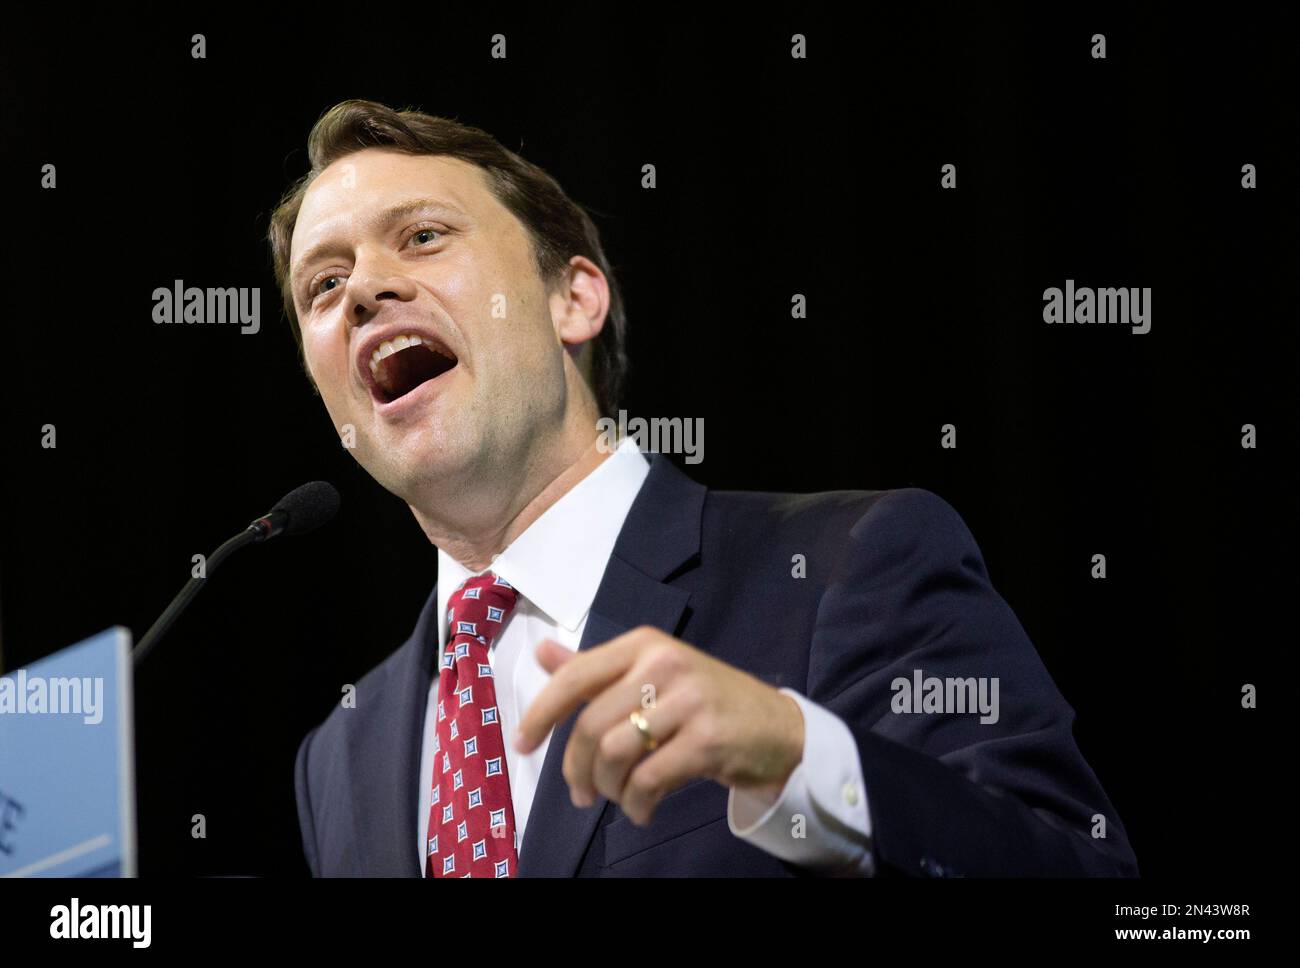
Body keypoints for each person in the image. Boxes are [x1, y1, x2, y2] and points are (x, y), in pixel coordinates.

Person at [274, 99, 1138, 877]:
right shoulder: (339, 757)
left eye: (423, 236)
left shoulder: (849, 567)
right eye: (323, 284)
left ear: (573, 299)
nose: (363, 291)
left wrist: (794, 758)